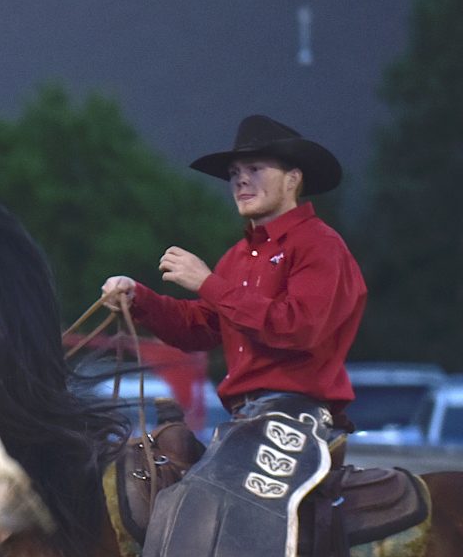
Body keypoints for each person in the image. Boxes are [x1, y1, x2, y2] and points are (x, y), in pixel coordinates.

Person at [101, 114, 366, 425]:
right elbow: (199, 328)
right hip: (246, 418)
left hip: (298, 416)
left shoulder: (320, 244)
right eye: (234, 172)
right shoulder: (237, 255)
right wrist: (138, 298)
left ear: (292, 179)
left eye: (255, 169)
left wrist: (207, 283)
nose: (241, 180)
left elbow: (297, 328)